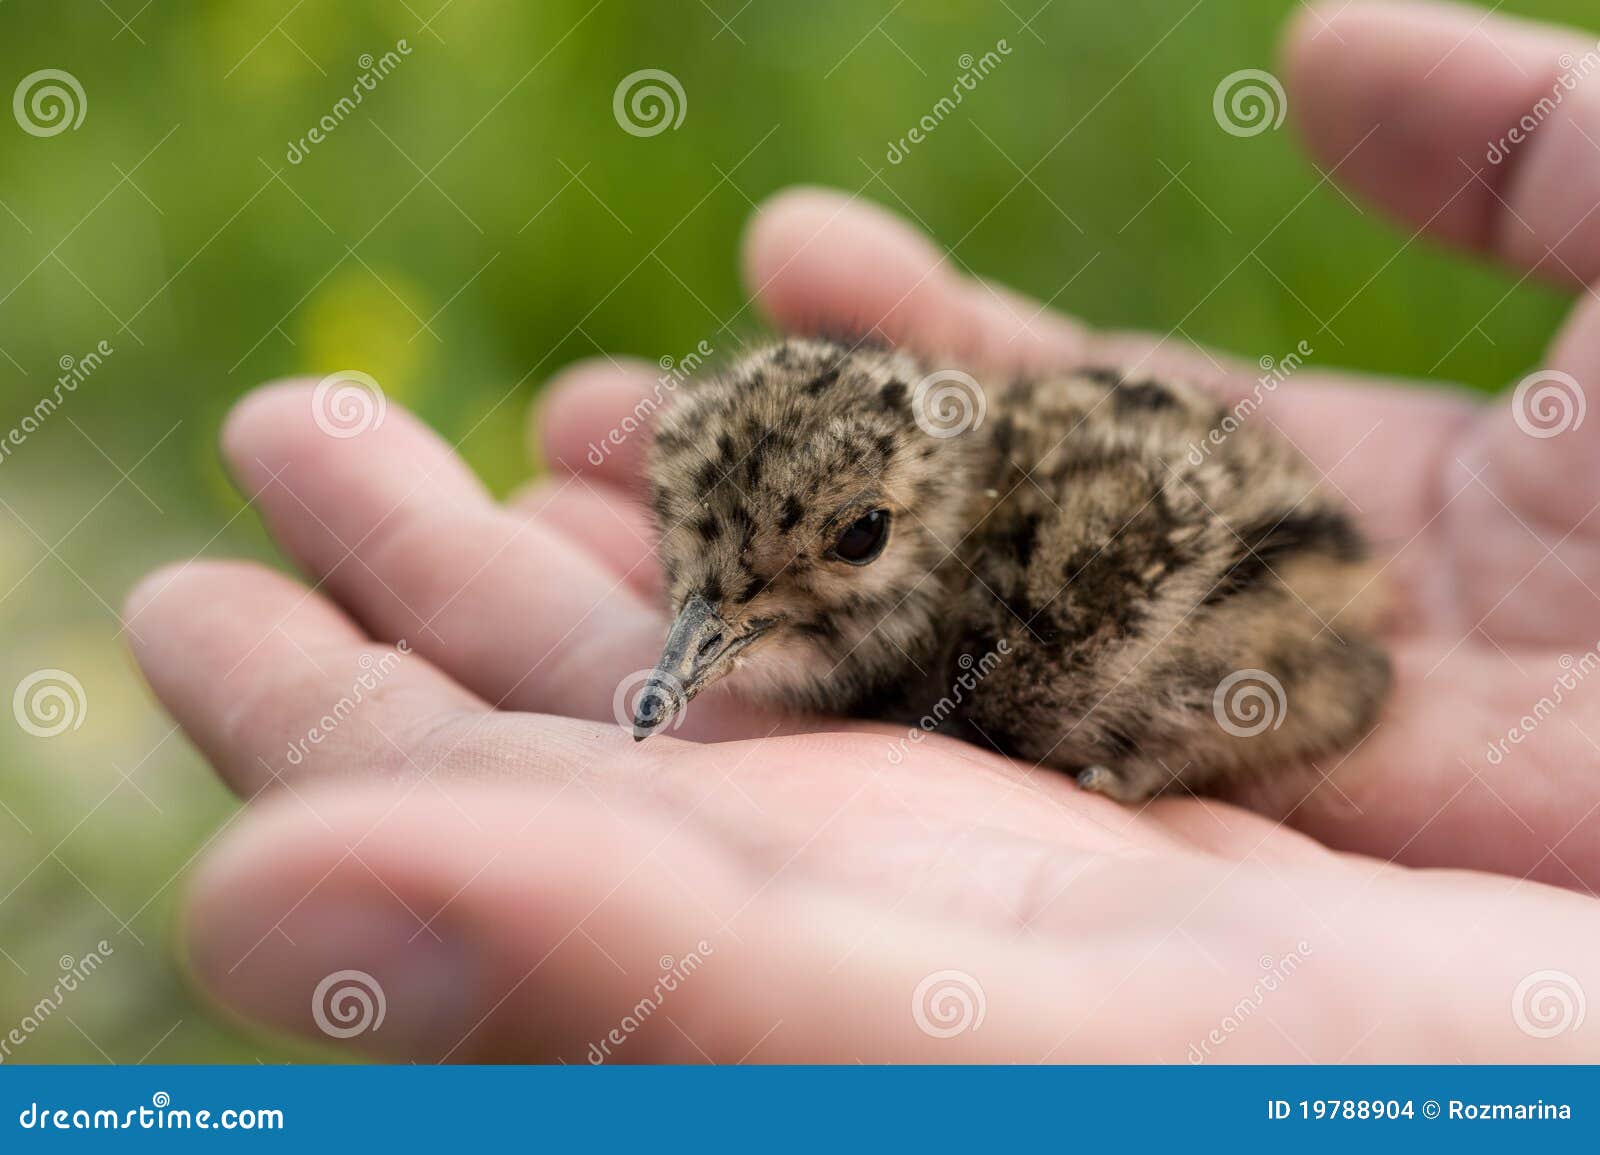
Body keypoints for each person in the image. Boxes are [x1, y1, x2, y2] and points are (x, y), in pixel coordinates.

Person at [129, 0, 1600, 1061]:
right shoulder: (840, 573)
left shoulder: (1028, 630)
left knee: (1093, 680)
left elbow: (1260, 609)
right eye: (699, 574)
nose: (713, 622)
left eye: (831, 553)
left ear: (919, 519)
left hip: (1248, 601)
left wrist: (1156, 744)